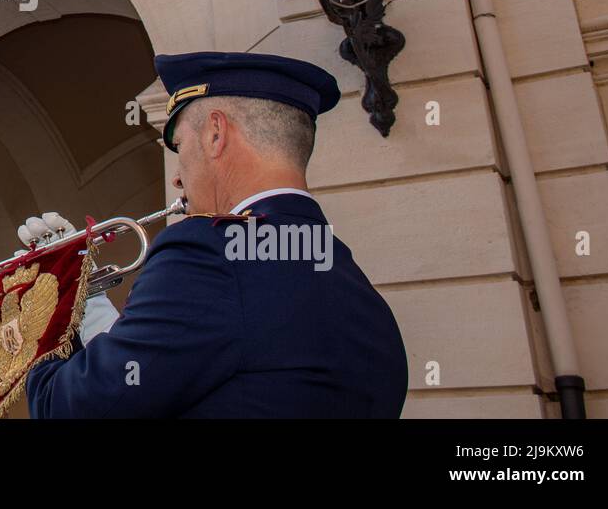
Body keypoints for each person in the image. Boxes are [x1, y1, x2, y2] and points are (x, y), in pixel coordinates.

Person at [24, 51, 409, 418]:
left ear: (215, 133)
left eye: (179, 147)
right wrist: (83, 298)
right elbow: (155, 374)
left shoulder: (206, 252)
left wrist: (45, 299)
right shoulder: (353, 283)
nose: (177, 176)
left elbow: (71, 407)